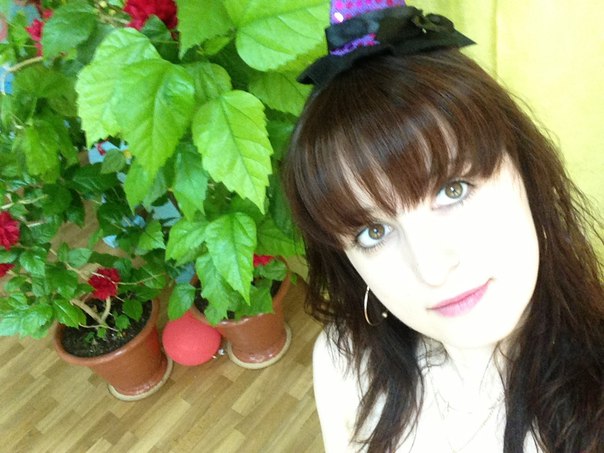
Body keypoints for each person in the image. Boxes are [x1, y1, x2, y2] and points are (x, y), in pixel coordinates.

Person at [283, 1, 604, 452]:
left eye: (453, 190)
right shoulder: (344, 365)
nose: (431, 269)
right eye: (374, 232)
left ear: (528, 177)